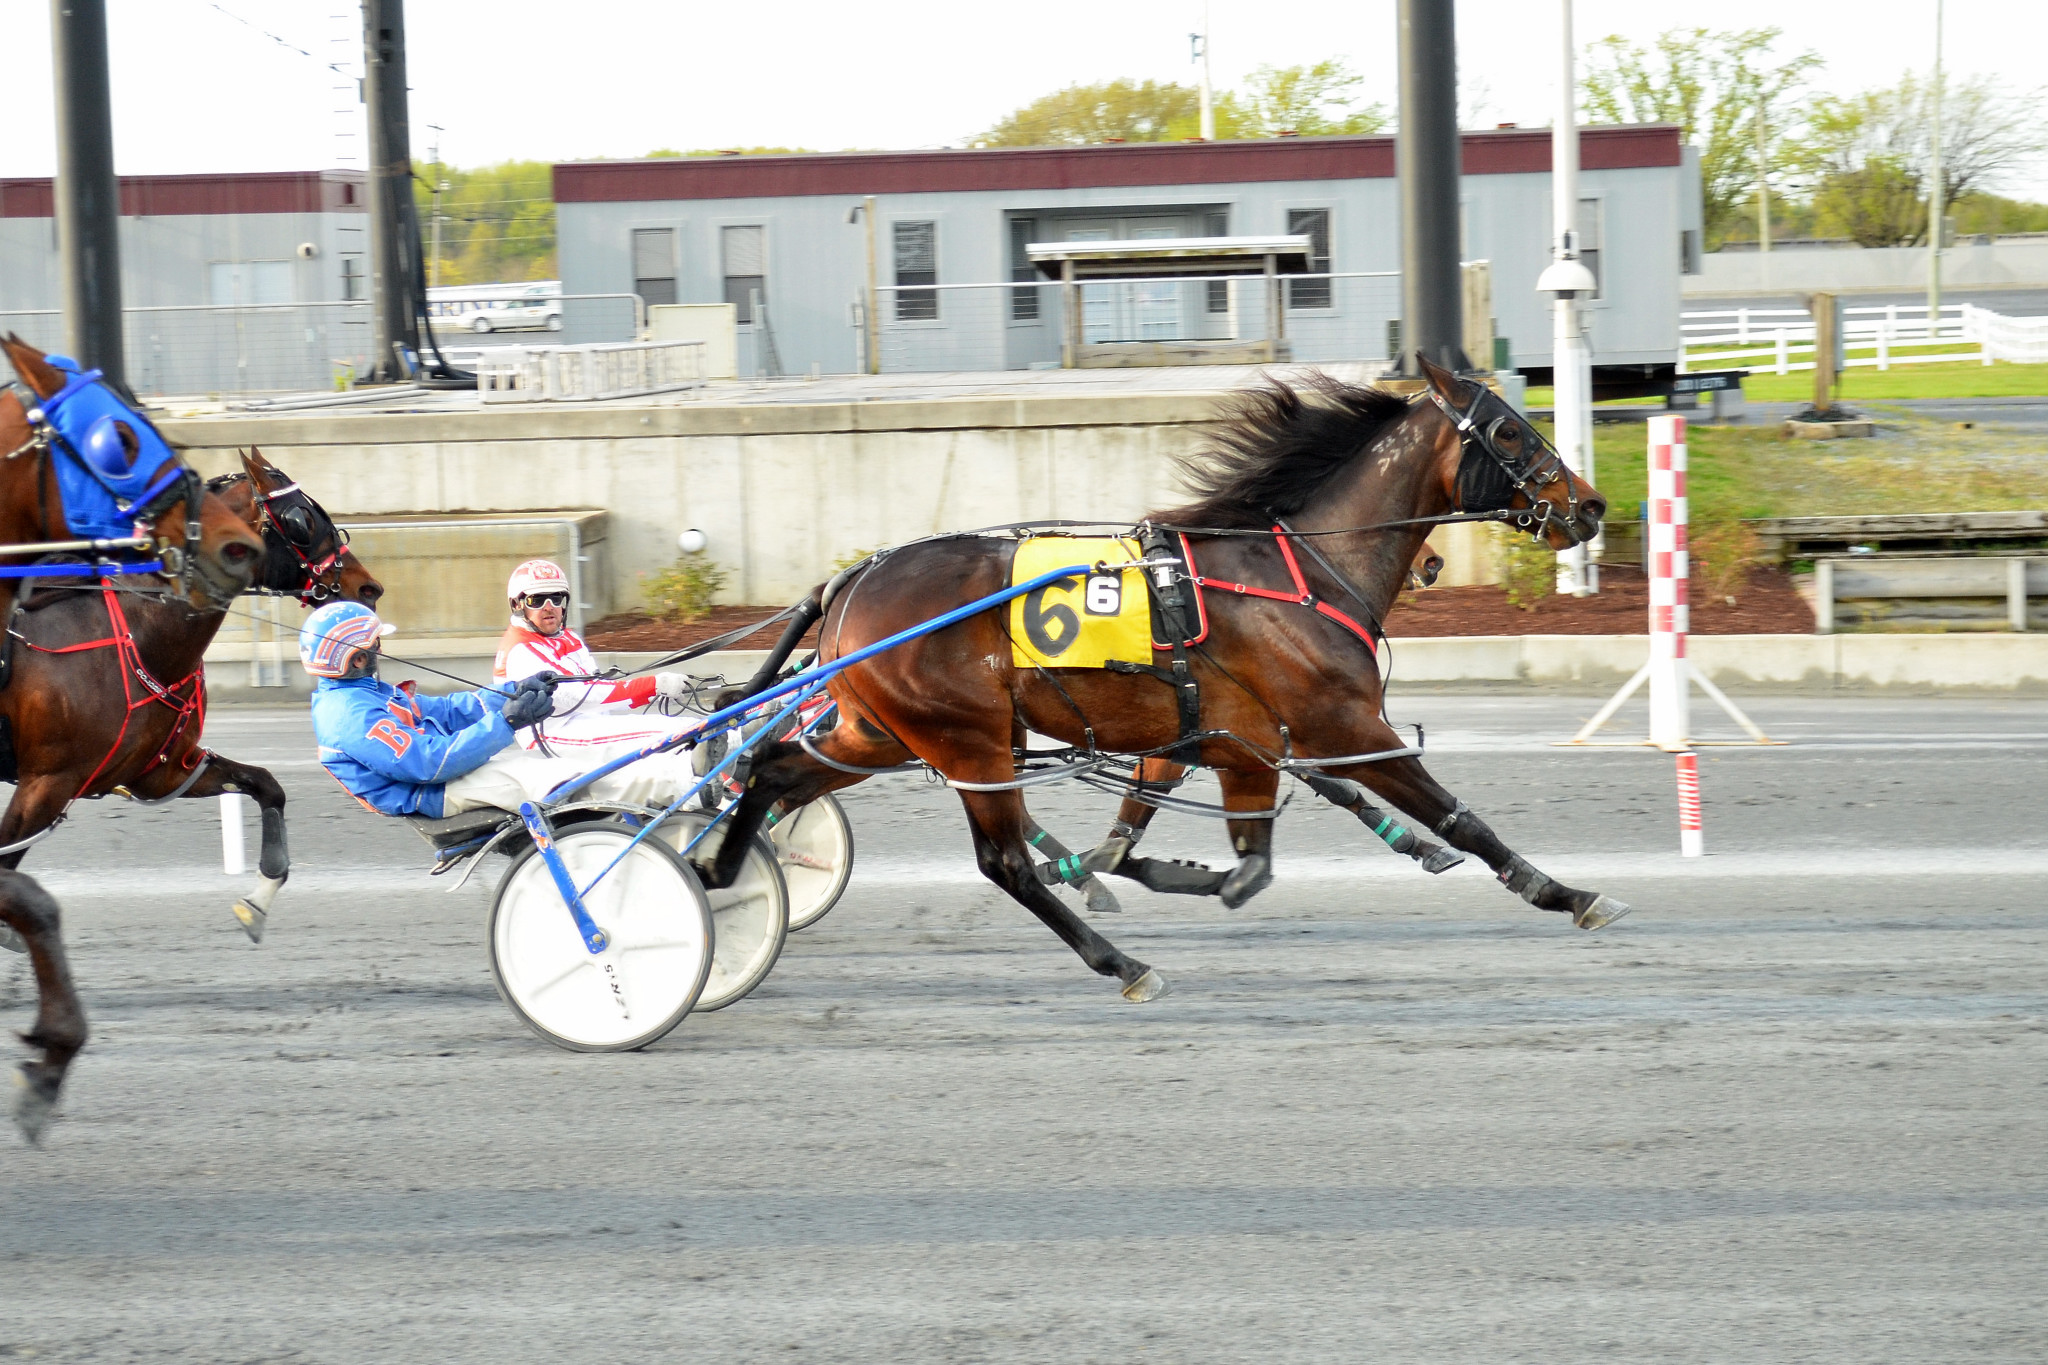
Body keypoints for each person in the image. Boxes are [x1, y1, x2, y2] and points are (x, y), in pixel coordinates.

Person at [304, 600, 697, 819]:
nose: (381, 648)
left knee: (557, 766)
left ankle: (679, 782)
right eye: (374, 643)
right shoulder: (351, 715)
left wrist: (514, 691)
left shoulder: (363, 691)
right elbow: (427, 763)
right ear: (356, 658)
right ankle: (686, 785)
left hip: (449, 773)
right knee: (566, 778)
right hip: (435, 790)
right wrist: (508, 721)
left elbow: (448, 710)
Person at [493, 558, 701, 754]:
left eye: (556, 598)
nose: (549, 607)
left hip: (586, 721)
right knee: (682, 733)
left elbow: (597, 687)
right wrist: (653, 685)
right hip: (551, 734)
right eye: (536, 600)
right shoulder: (520, 650)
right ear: (517, 605)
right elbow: (579, 697)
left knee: (692, 727)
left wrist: (651, 691)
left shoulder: (567, 636)